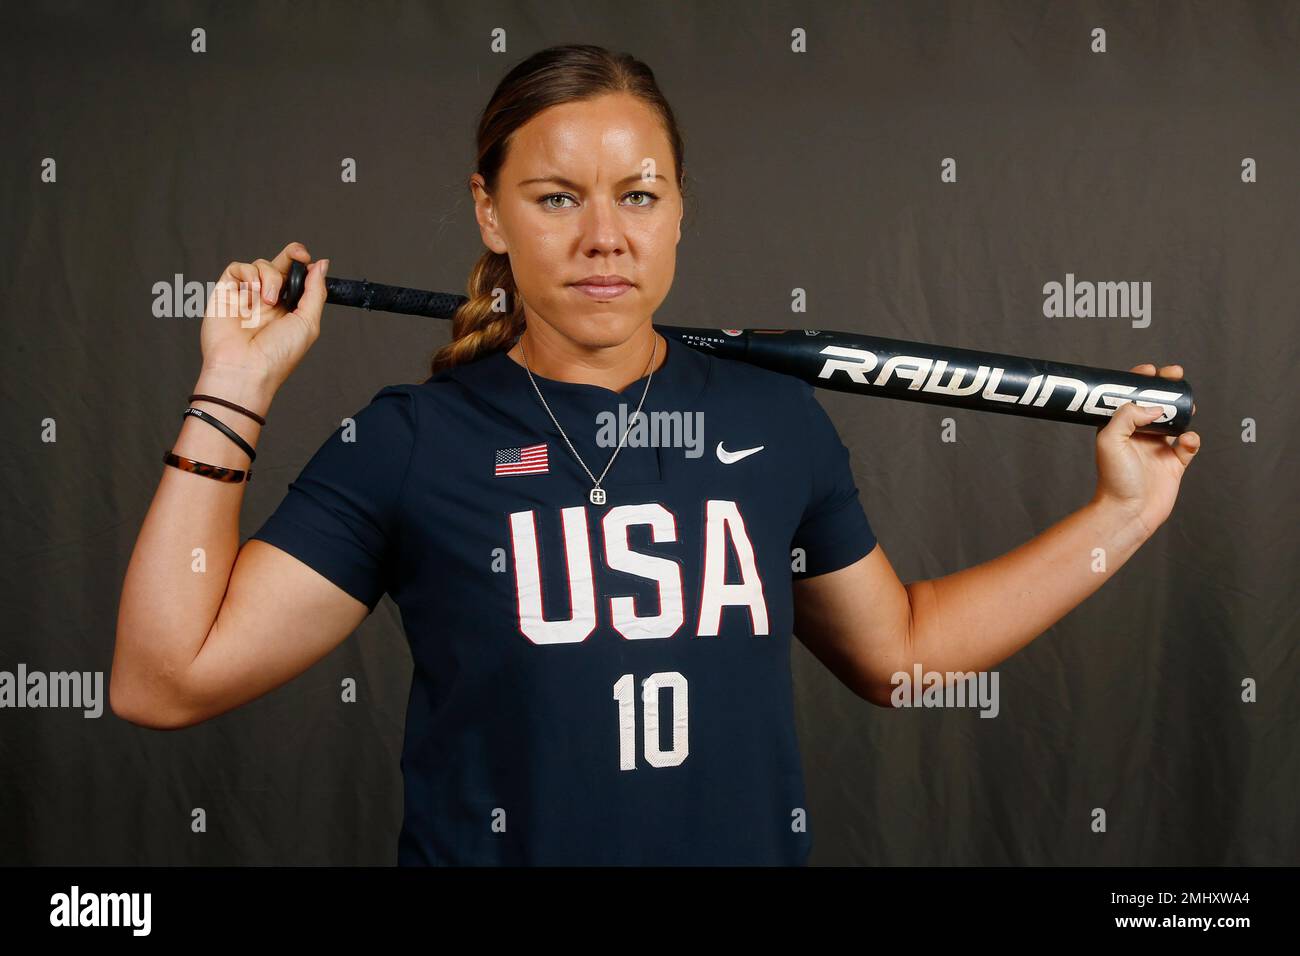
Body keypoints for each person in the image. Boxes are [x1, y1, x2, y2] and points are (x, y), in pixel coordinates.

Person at [111, 44, 1201, 866]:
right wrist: (235, 386)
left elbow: (899, 652)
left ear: (677, 211)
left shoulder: (775, 420)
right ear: (489, 212)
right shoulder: (407, 443)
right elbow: (165, 680)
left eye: (638, 194)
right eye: (554, 197)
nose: (604, 236)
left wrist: (1123, 514)